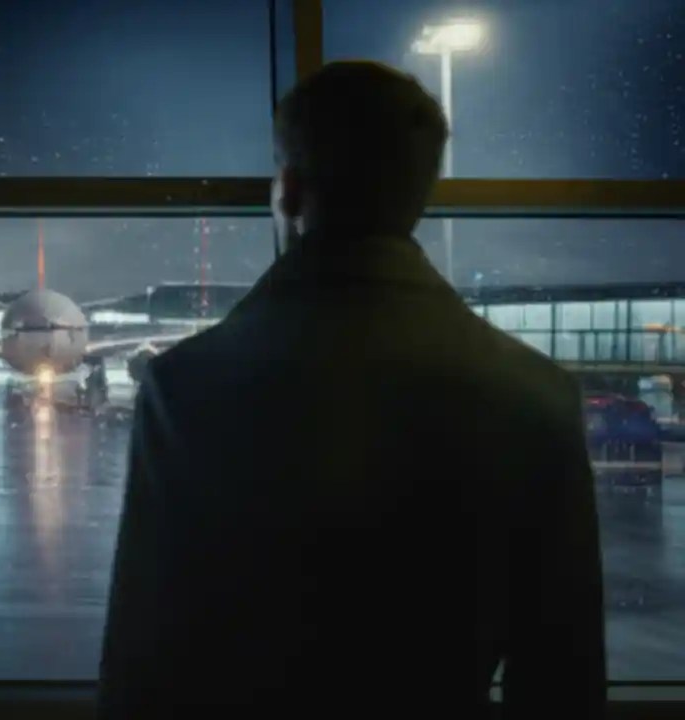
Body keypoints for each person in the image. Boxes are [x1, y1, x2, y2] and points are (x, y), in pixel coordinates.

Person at [97, 61, 606, 718]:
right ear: (421, 194)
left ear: (287, 190)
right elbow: (563, 674)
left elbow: (143, 654)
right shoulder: (536, 392)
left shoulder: (185, 385)